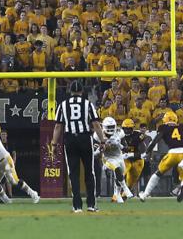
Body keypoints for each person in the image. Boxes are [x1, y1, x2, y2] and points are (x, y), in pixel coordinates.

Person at [51, 81, 101, 212]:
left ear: (70, 91)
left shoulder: (63, 105)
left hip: (70, 139)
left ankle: (77, 206)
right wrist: (103, 140)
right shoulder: (88, 104)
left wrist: (54, 144)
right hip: (85, 138)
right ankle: (91, 204)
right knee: (89, 172)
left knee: (73, 173)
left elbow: (58, 126)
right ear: (82, 92)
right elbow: (95, 124)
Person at [137, 110, 183, 202]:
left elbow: (155, 141)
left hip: (172, 153)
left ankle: (145, 194)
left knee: (158, 173)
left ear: (165, 119)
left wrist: (147, 152)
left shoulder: (164, 127)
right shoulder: (182, 126)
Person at [96, 116, 133, 203]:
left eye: (112, 127)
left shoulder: (119, 133)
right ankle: (126, 189)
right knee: (117, 169)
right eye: (108, 127)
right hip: (107, 157)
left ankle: (117, 194)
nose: (110, 129)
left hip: (118, 156)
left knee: (120, 175)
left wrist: (119, 144)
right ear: (104, 127)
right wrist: (102, 148)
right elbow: (96, 154)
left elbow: (126, 149)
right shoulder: (97, 135)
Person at [120, 119, 146, 197]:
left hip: (137, 160)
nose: (127, 130)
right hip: (125, 159)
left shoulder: (138, 136)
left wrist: (132, 154)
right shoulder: (119, 136)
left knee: (131, 182)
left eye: (129, 128)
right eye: (125, 128)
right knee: (121, 174)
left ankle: (123, 196)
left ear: (133, 128)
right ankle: (116, 194)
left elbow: (143, 151)